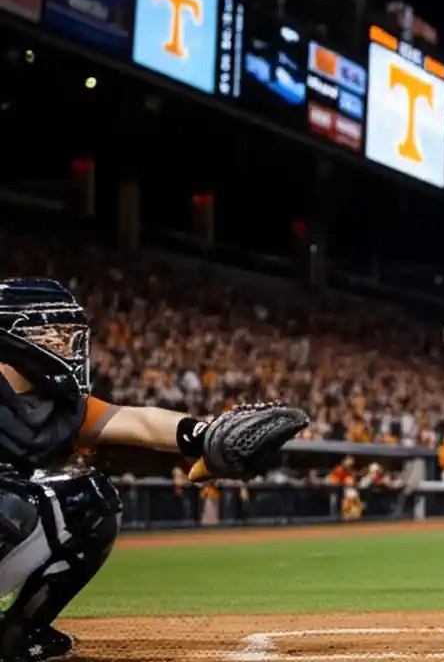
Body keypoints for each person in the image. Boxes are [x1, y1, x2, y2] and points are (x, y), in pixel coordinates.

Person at [0, 278, 308, 661]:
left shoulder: (50, 406)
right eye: (52, 335)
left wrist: (204, 435)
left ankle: (17, 635)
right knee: (37, 501)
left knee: (86, 499)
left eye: (68, 335)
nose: (66, 347)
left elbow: (137, 422)